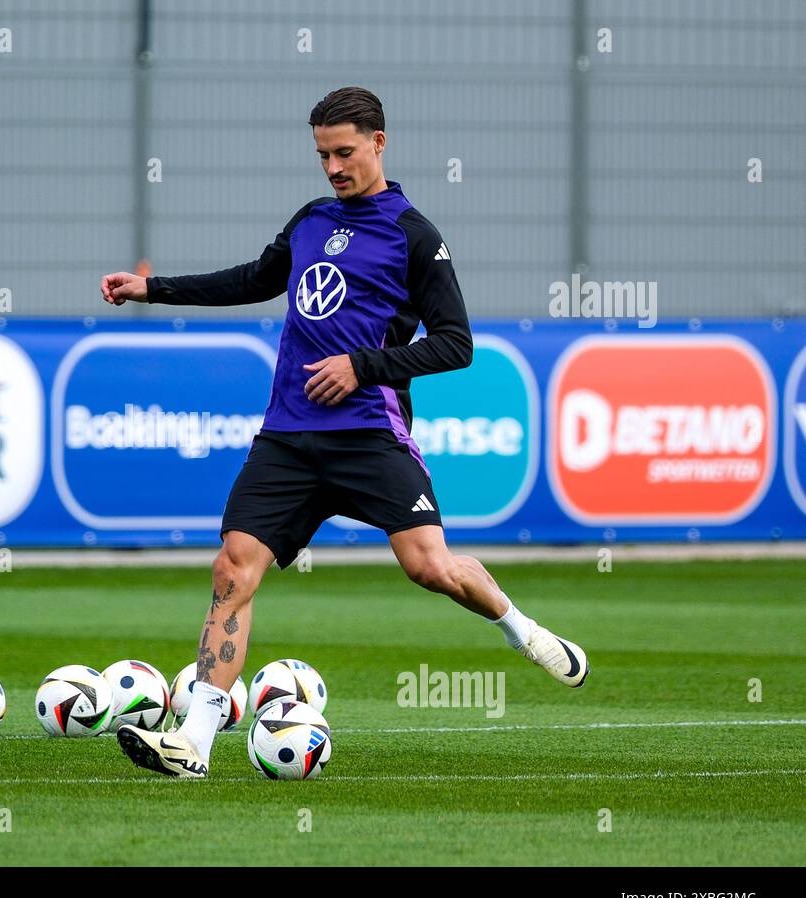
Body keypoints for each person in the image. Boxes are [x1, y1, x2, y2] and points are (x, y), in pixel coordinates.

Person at [99, 87, 588, 779]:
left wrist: (364, 366)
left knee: (430, 568)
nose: (333, 167)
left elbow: (456, 345)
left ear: (380, 143)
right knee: (233, 566)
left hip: (368, 433)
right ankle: (194, 745)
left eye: (345, 152)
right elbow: (254, 278)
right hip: (289, 435)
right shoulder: (311, 221)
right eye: (323, 154)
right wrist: (155, 290)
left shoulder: (416, 236)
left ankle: (523, 630)